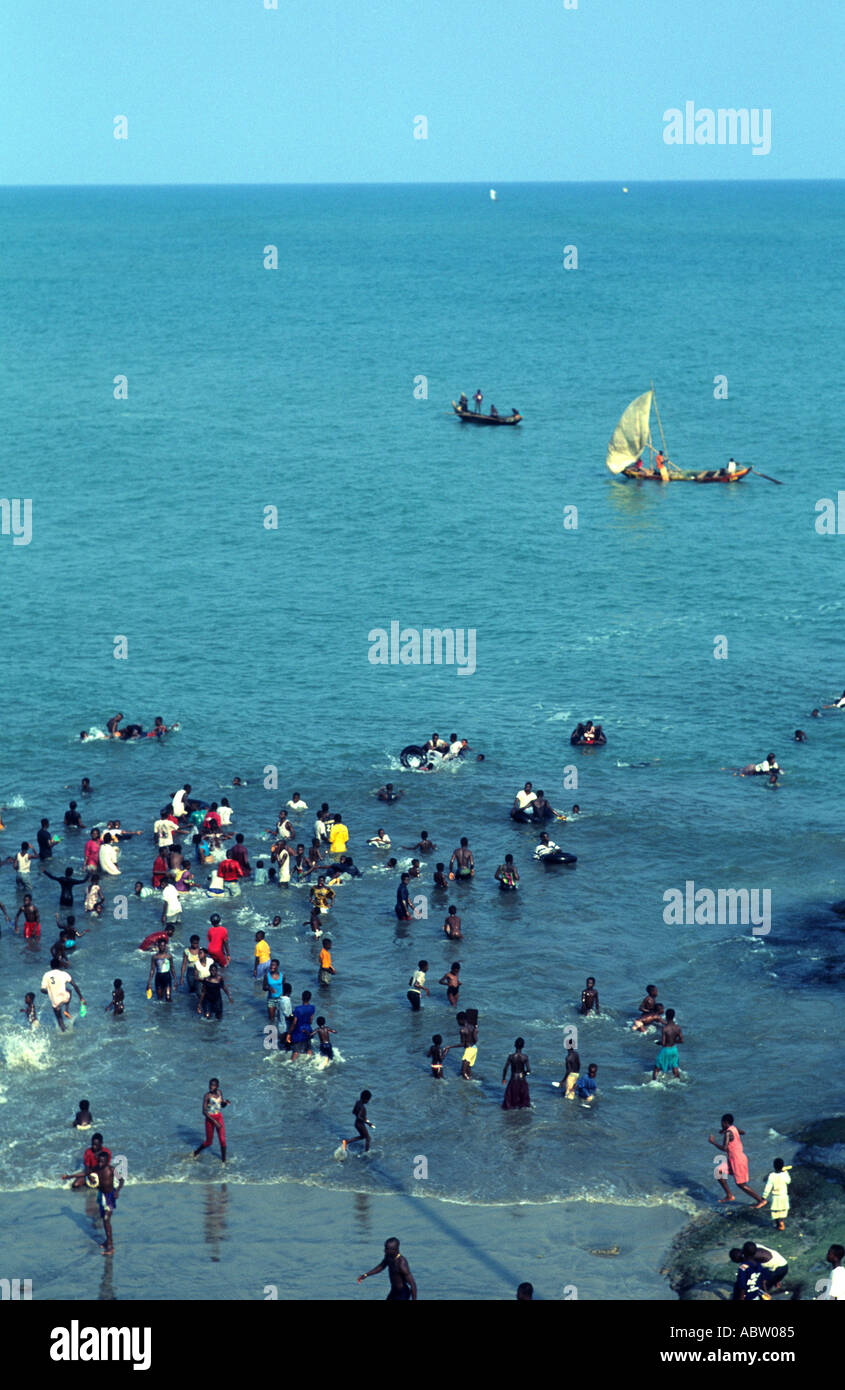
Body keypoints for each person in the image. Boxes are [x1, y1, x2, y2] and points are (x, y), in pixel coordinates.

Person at [708, 1114, 766, 1205]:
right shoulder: (733, 1128)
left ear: (725, 1122)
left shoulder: (728, 1133)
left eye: (722, 1123)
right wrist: (725, 1131)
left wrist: (713, 1142)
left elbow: (724, 1148)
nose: (721, 1125)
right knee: (718, 1172)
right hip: (733, 1159)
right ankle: (729, 1196)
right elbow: (742, 1132)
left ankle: (761, 1200)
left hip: (738, 1160)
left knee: (741, 1184)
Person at [193, 1078, 230, 1162]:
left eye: (213, 1085)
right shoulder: (207, 1096)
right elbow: (204, 1111)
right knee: (209, 1142)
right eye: (210, 1085)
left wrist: (225, 1103)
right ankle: (197, 1151)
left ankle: (224, 1161)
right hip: (210, 1119)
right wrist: (214, 1122)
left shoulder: (220, 1092)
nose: (211, 1087)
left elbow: (221, 1105)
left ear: (217, 1086)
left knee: (223, 1140)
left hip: (219, 1117)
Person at [95, 1151, 124, 1256]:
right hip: (101, 1195)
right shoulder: (97, 1168)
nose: (100, 1164)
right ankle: (107, 1241)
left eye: (102, 1162)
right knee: (104, 1218)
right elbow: (86, 1173)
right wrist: (69, 1177)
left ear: (107, 1162)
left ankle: (111, 1246)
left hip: (110, 1196)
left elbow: (121, 1180)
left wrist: (117, 1191)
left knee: (107, 1219)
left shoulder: (112, 1170)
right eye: (99, 1162)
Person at [40, 963, 85, 1031]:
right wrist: (81, 997)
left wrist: (49, 992)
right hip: (65, 998)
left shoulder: (46, 975)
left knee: (59, 1019)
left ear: (51, 966)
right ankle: (66, 1010)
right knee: (69, 990)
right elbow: (75, 986)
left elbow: (42, 990)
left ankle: (63, 1031)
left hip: (55, 1002)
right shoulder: (64, 974)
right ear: (59, 966)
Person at [653, 1008, 683, 1079]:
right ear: (673, 1016)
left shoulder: (665, 1028)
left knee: (657, 1067)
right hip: (674, 1049)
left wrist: (658, 1042)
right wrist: (673, 1041)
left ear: (666, 1017)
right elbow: (681, 1040)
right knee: (674, 1067)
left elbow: (663, 1043)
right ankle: (679, 1081)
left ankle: (653, 1082)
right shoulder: (678, 1028)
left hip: (666, 1050)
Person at [762, 1158, 791, 1231]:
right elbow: (788, 1181)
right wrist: (786, 1172)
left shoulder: (771, 1175)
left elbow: (768, 1186)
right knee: (783, 1210)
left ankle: (778, 1224)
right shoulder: (784, 1174)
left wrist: (764, 1196)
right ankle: (782, 1222)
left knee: (775, 1212)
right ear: (782, 1166)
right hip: (783, 1196)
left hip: (775, 1197)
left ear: (774, 1166)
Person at [502, 1038, 531, 1109]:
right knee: (524, 1100)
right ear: (523, 1046)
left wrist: (504, 1079)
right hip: (522, 1079)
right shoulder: (525, 1057)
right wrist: (525, 1074)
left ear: (515, 1045)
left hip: (513, 1079)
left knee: (509, 1100)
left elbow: (505, 1069)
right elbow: (529, 1070)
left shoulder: (511, 1057)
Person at [288, 989, 316, 1058]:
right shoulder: (312, 1008)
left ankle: (292, 1062)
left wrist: (289, 1033)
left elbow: (294, 1022)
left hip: (298, 1031)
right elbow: (311, 1021)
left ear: (302, 998)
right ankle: (310, 1060)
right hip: (308, 1030)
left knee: (296, 1051)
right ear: (310, 998)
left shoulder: (298, 1009)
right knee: (309, 1049)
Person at [458, 1011, 478, 1079]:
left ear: (461, 1020)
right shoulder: (472, 1027)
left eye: (458, 1021)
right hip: (474, 1049)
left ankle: (468, 1083)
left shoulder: (462, 1030)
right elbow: (475, 1040)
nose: (458, 1023)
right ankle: (471, 1079)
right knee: (468, 1069)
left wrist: (449, 1047)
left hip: (469, 1050)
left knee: (463, 1072)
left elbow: (462, 1044)